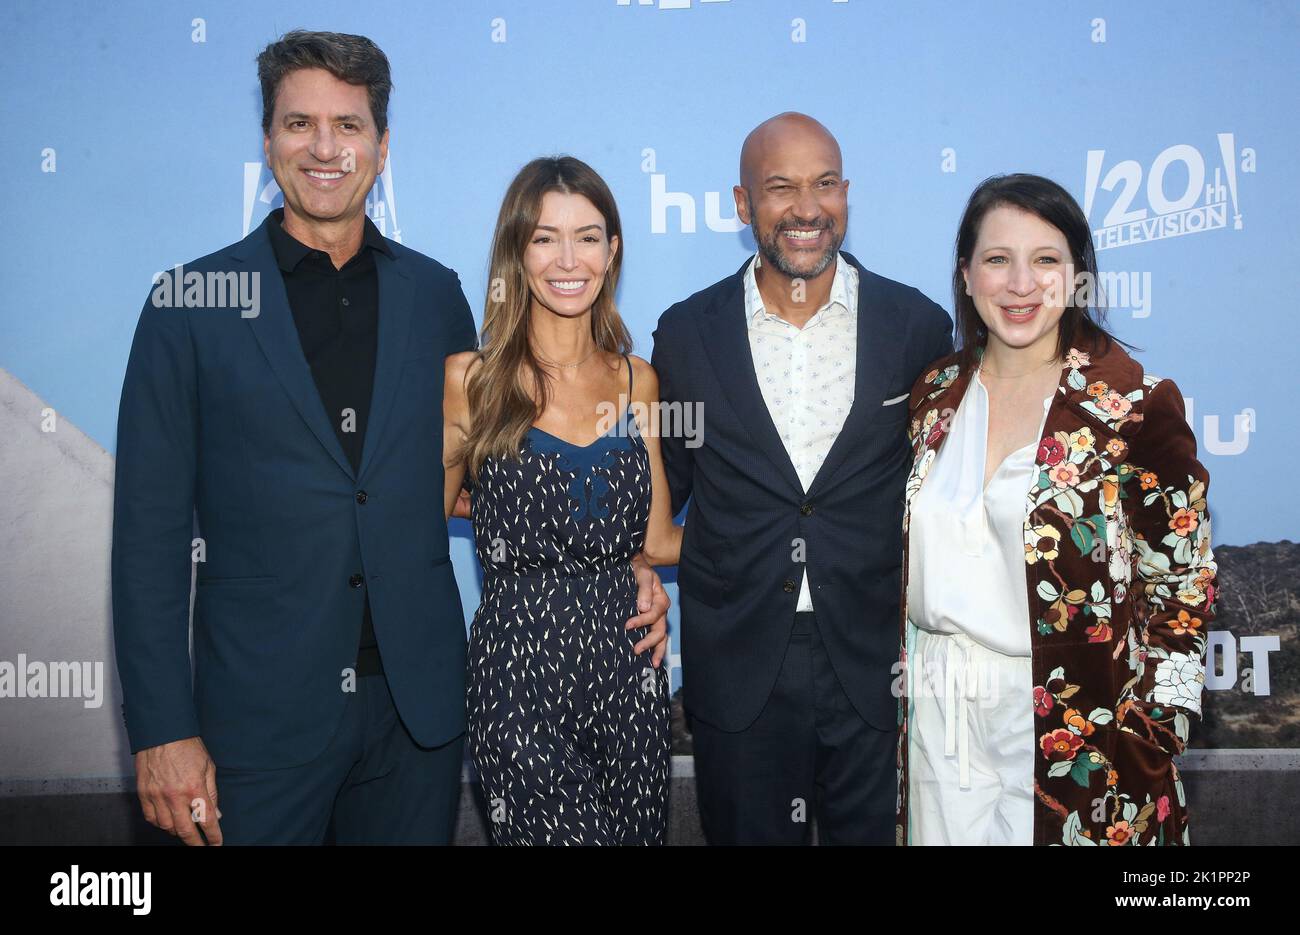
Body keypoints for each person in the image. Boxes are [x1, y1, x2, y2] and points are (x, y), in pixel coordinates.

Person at [111, 33, 667, 846]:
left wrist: (630, 557)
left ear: (382, 145)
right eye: (301, 124)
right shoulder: (191, 302)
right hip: (258, 723)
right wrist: (162, 729)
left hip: (420, 716)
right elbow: (148, 537)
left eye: (349, 125)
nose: (326, 148)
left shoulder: (432, 294)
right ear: (267, 142)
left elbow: (506, 477)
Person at [651, 113, 953, 844]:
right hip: (741, 665)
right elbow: (668, 488)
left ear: (847, 193)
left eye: (824, 184)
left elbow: (944, 494)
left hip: (876, 660)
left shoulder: (916, 325)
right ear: (742, 203)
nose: (807, 208)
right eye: (780, 187)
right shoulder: (687, 334)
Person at [897, 173, 1217, 846]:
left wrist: (1160, 730)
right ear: (965, 273)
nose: (1021, 283)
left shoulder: (1134, 403)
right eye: (996, 259)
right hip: (935, 710)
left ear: (1078, 278)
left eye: (1045, 260)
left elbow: (1183, 585)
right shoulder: (934, 393)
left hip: (1076, 722)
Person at [443, 156, 681, 845]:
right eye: (545, 237)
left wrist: (782, 540)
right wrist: (509, 519)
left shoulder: (639, 381)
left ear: (613, 252)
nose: (567, 257)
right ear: (517, 252)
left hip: (629, 670)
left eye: (588, 235)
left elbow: (659, 539)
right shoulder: (474, 380)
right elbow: (433, 509)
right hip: (517, 675)